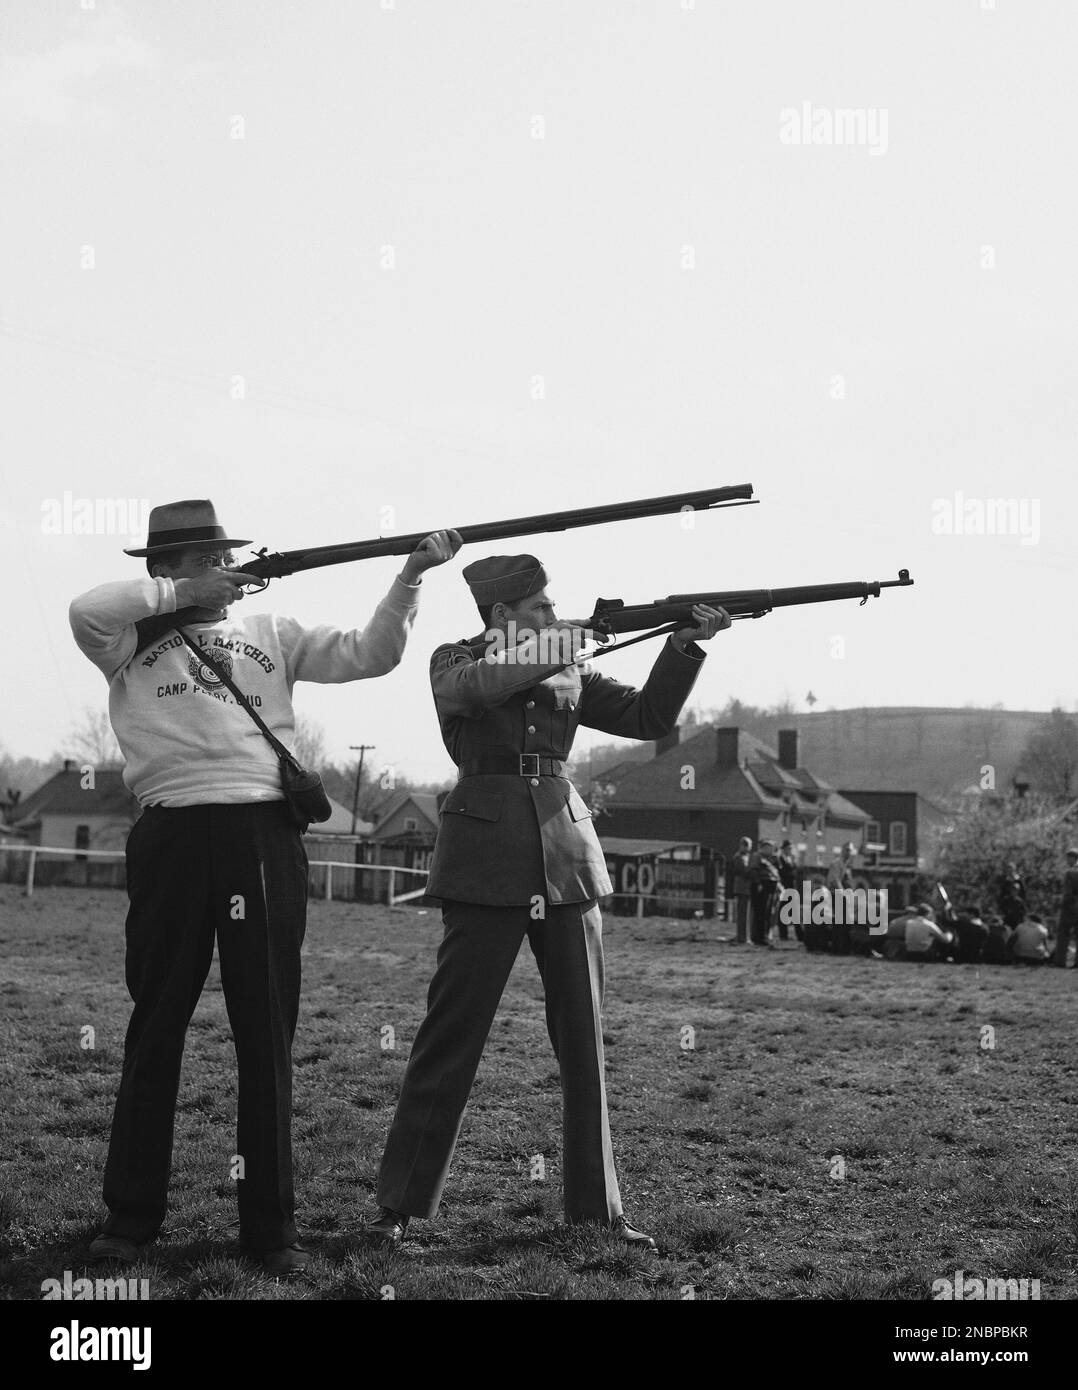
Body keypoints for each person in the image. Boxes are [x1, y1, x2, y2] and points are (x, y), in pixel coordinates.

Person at [69, 499, 461, 1275]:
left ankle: (270, 1229)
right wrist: (188, 596)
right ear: (165, 569)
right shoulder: (127, 631)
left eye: (224, 559)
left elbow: (372, 654)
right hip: (173, 829)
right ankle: (131, 1217)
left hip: (262, 834)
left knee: (266, 1032)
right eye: (203, 560)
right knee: (156, 1026)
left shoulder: (272, 633)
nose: (219, 570)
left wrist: (411, 576)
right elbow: (85, 606)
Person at [363, 554, 730, 1249]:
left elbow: (649, 716)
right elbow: (479, 689)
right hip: (486, 859)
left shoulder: (570, 667)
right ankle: (400, 1206)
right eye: (537, 608)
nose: (552, 616)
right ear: (501, 615)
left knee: (584, 1039)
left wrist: (681, 645)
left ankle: (599, 1211)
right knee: (451, 1035)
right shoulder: (456, 660)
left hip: (566, 853)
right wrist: (562, 642)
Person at [749, 840, 781, 946]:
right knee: (761, 912)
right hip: (763, 886)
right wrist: (758, 884)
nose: (772, 850)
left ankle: (765, 936)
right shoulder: (757, 856)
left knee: (768, 913)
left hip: (771, 887)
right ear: (764, 848)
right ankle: (759, 937)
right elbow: (753, 871)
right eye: (770, 848)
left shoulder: (770, 859)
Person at [826, 843, 856, 954]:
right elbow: (835, 880)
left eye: (850, 851)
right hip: (838, 895)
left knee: (844, 923)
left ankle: (842, 947)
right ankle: (838, 947)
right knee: (839, 923)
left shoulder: (847, 865)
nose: (848, 853)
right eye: (847, 850)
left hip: (844, 896)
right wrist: (843, 894)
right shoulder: (837, 863)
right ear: (842, 850)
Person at [1052, 847, 1078, 968]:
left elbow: (1068, 893)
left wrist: (1063, 904)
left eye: (1069, 857)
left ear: (1074, 858)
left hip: (1070, 908)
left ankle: (1060, 961)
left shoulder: (1070, 873)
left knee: (1063, 934)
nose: (1067, 860)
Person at [730, 837, 754, 944]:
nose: (750, 848)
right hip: (742, 889)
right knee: (742, 914)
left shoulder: (747, 857)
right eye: (748, 846)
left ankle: (745, 936)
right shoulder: (739, 857)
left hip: (746, 888)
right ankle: (742, 937)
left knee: (746, 914)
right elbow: (745, 871)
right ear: (743, 846)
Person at [775, 839, 799, 942]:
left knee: (794, 911)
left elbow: (795, 871)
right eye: (789, 848)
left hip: (792, 888)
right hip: (785, 888)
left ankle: (799, 934)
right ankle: (783, 934)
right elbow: (783, 872)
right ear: (784, 849)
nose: (790, 850)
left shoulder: (791, 859)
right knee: (784, 911)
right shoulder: (780, 859)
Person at [997, 860, 1027, 930]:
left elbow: (1023, 893)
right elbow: (1002, 893)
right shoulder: (1006, 880)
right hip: (1007, 905)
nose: (1009, 870)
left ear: (1014, 869)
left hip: (1017, 905)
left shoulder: (1019, 880)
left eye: (1011, 869)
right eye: (1008, 869)